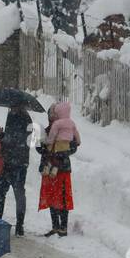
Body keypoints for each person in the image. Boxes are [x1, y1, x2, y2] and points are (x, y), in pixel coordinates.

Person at [0, 96, 33, 236]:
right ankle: (3, 222)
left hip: (17, 162)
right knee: (5, 191)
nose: (10, 107)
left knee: (15, 193)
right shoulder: (13, 115)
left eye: (12, 105)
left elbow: (17, 140)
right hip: (11, 160)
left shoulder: (24, 118)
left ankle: (17, 225)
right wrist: (1, 133)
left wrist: (2, 135)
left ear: (18, 105)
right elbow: (10, 137)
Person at [37, 100, 80, 237]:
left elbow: (74, 146)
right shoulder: (46, 130)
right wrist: (44, 148)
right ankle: (55, 226)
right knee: (51, 198)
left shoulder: (66, 127)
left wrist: (61, 152)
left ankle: (63, 227)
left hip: (62, 169)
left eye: (53, 114)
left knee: (62, 198)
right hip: (49, 169)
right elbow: (38, 147)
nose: (52, 117)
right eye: (50, 115)